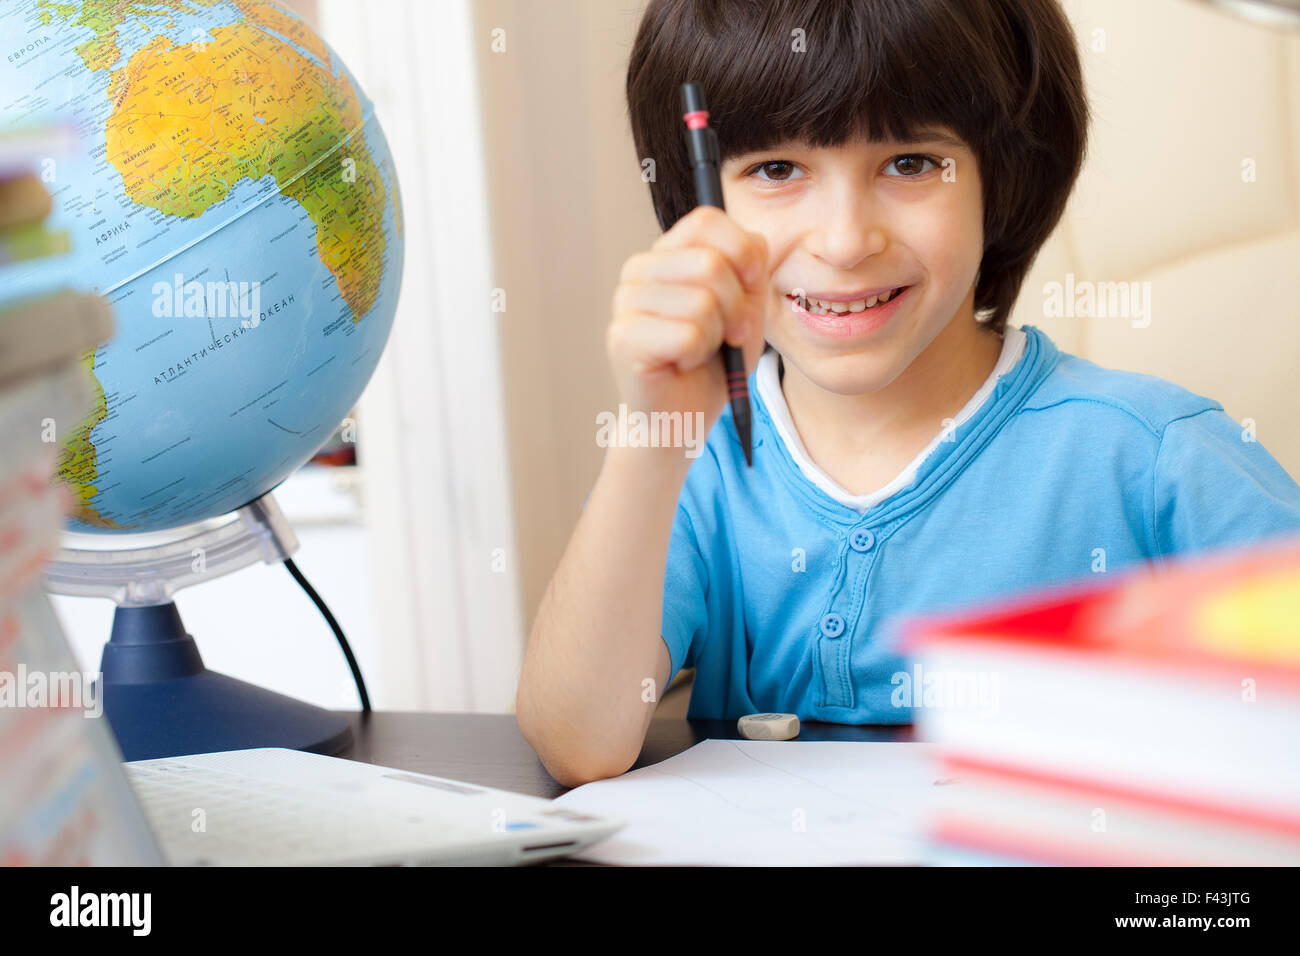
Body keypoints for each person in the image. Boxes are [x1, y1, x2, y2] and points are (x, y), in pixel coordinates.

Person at [515, 0, 1300, 788]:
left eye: (911, 164)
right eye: (777, 170)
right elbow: (577, 742)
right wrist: (653, 435)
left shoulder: (1154, 455)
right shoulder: (692, 467)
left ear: (1003, 179)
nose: (846, 240)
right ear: (701, 207)